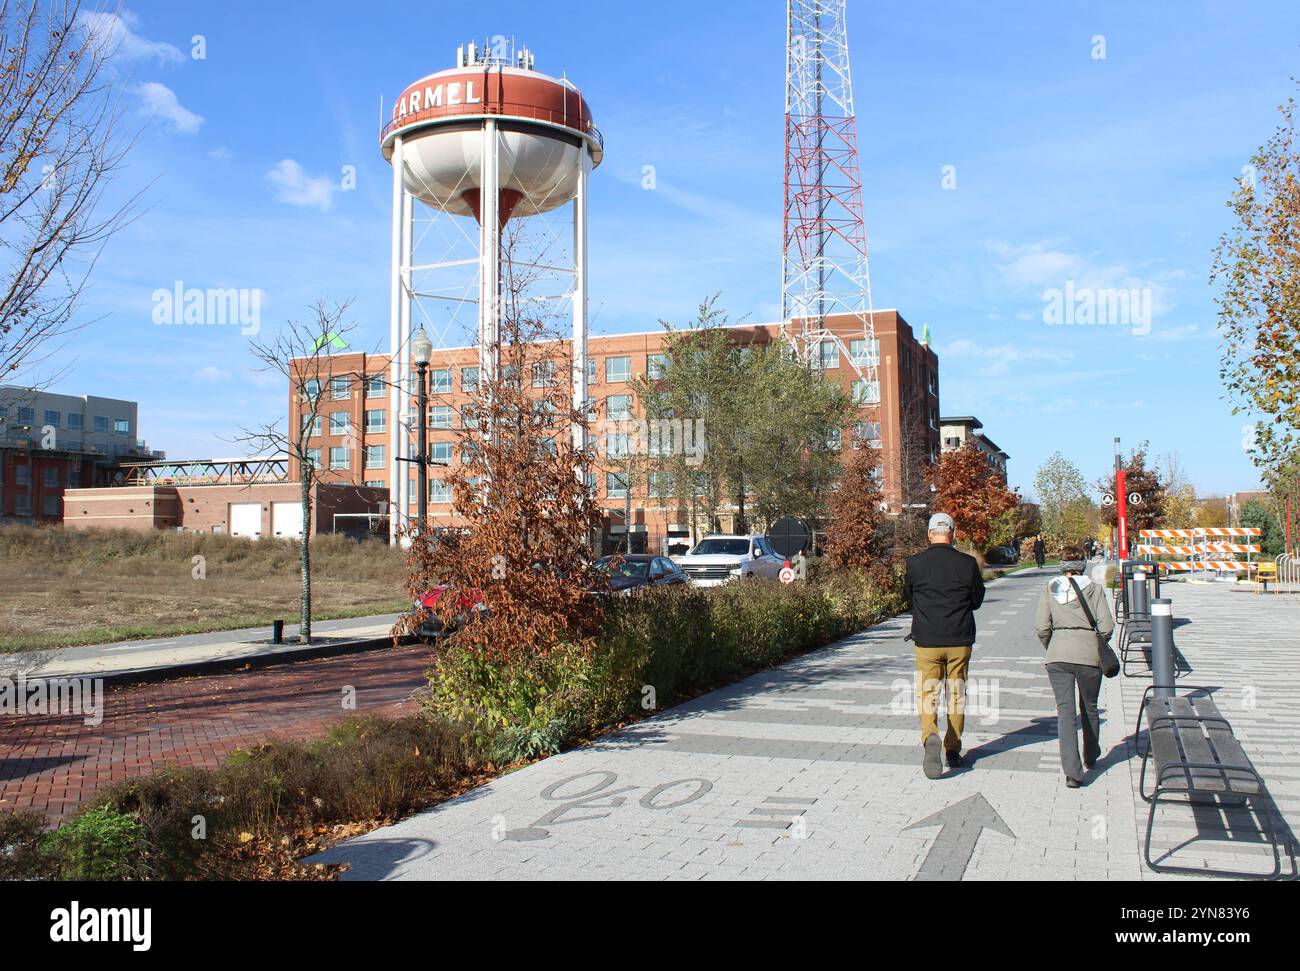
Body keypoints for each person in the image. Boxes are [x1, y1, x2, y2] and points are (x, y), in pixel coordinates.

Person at [904, 512, 986, 779]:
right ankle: (953, 748)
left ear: (929, 534)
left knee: (928, 694)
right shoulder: (968, 564)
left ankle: (930, 736)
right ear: (953, 533)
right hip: (959, 639)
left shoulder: (915, 564)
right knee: (957, 694)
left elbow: (909, 598)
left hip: (927, 640)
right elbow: (976, 600)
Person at [1034, 545, 1115, 788]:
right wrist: (1096, 641)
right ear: (1083, 565)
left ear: (1062, 566)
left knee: (1065, 712)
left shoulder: (1050, 589)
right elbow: (1107, 626)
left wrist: (1052, 646)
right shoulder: (1096, 590)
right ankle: (1091, 754)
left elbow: (1041, 627)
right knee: (1089, 706)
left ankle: (1072, 771)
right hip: (1089, 654)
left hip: (1058, 655)